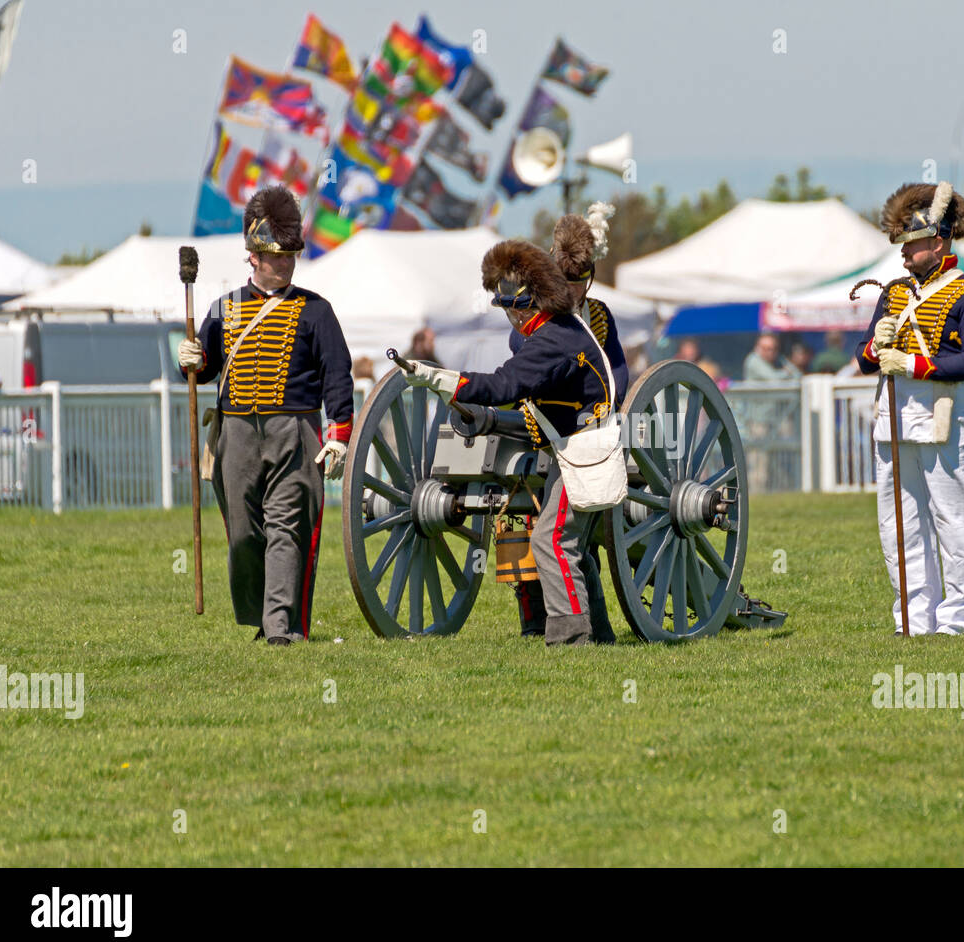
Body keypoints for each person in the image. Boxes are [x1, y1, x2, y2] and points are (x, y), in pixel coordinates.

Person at [404, 239, 619, 647]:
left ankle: (570, 637)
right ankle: (599, 634)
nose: (509, 318)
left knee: (553, 539)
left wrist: (443, 380)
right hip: (568, 445)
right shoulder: (560, 329)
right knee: (573, 543)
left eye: (508, 308)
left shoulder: (553, 338)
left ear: (523, 307)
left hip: (584, 449)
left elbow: (505, 385)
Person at [178, 186, 354, 647]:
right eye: (277, 256)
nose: (286, 264)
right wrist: (190, 359)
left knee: (287, 528)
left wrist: (337, 435)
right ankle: (263, 617)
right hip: (235, 434)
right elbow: (206, 369)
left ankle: (281, 628)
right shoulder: (224, 309)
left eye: (291, 255)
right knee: (243, 535)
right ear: (252, 256)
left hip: (295, 431)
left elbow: (338, 375)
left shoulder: (316, 311)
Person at [854, 181, 964, 636]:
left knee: (956, 523)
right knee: (901, 527)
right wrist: (878, 346)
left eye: (910, 243)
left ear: (937, 241)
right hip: (895, 423)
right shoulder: (893, 293)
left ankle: (957, 620)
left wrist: (910, 362)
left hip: (949, 420)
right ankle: (914, 617)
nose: (903, 252)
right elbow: (863, 359)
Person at [505, 203, 629, 643]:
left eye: (581, 282)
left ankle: (576, 634)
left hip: (586, 435)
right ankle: (579, 630)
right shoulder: (532, 316)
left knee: (562, 538)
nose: (575, 291)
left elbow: (619, 375)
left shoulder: (599, 316)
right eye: (567, 282)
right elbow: (522, 368)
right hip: (541, 429)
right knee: (550, 534)